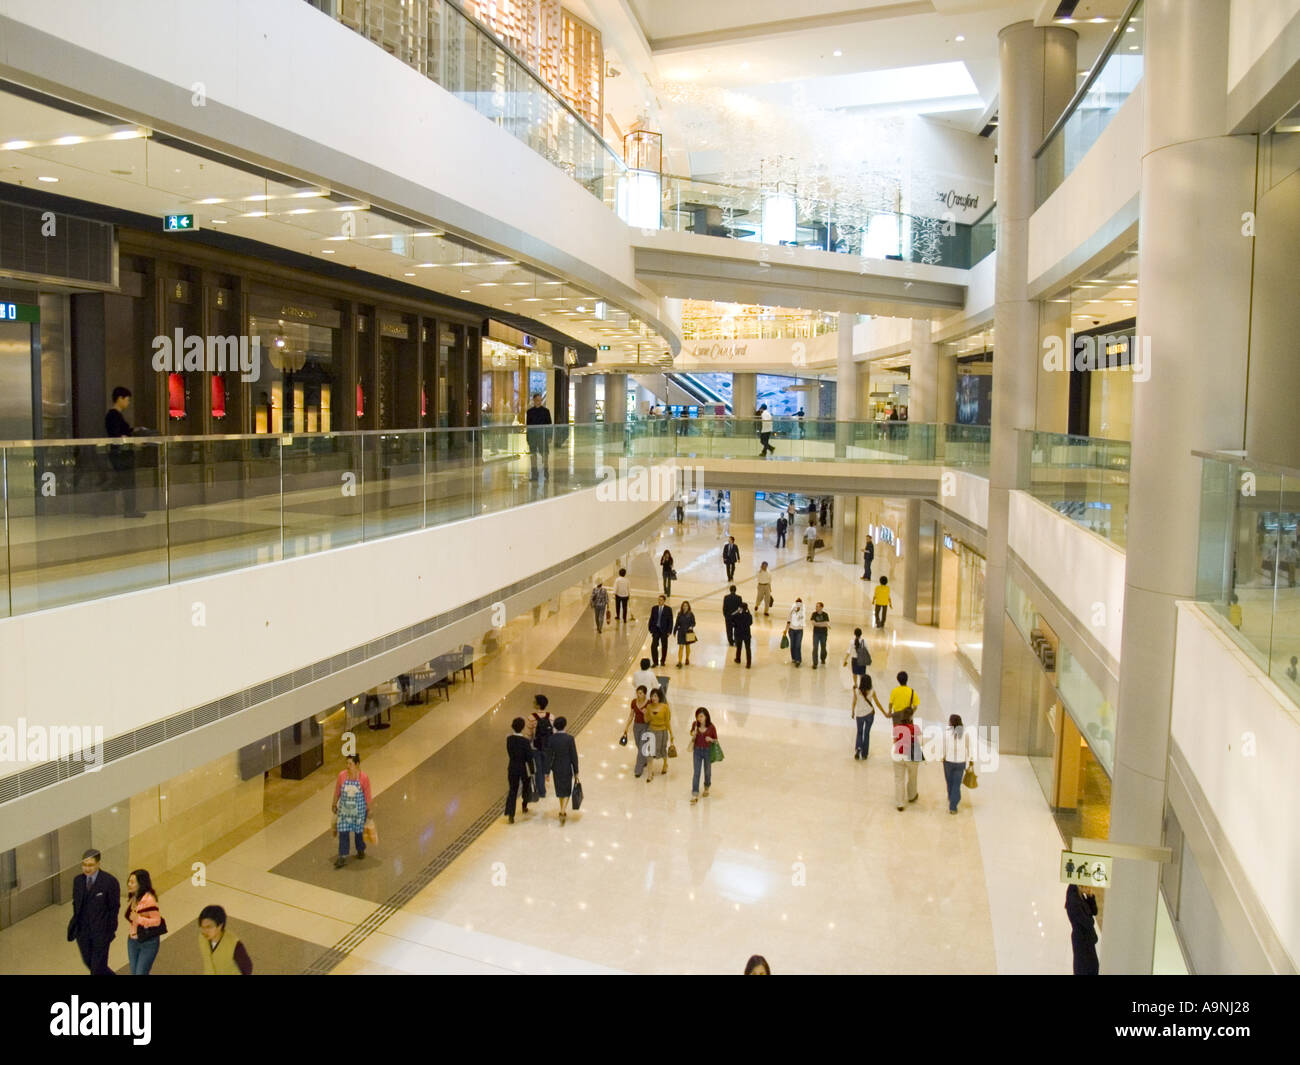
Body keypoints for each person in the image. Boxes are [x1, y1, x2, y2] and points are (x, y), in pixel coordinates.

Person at [67, 848, 120, 975]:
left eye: (90, 865)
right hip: (83, 933)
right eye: (84, 865)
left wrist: (110, 930)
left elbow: (114, 908)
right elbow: (76, 904)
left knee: (96, 969)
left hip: (101, 932)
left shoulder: (109, 882)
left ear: (98, 864)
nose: (87, 868)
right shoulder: (78, 881)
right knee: (90, 963)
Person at [105, 386, 144, 519]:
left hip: (123, 454)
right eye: (127, 399)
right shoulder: (113, 415)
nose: (128, 403)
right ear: (120, 399)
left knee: (125, 481)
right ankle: (129, 509)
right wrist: (131, 440)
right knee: (126, 482)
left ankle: (130, 509)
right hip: (121, 455)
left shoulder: (115, 415)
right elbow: (117, 435)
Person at [884, 671, 920, 810]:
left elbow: (890, 703)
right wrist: (912, 711)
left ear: (898, 680)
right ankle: (912, 795)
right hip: (910, 751)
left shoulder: (894, 691)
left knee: (898, 778)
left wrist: (889, 712)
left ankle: (899, 802)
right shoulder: (912, 692)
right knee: (913, 775)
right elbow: (916, 705)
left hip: (896, 717)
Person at [331, 754, 372, 868]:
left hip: (359, 811)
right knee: (343, 832)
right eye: (347, 763)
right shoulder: (342, 776)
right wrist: (334, 803)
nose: (348, 766)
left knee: (359, 832)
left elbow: (367, 795)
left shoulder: (363, 778)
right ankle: (342, 856)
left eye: (350, 764)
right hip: (344, 811)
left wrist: (369, 809)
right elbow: (337, 791)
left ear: (357, 764)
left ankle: (360, 849)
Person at [123, 869, 164, 975]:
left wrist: (139, 919)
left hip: (148, 942)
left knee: (140, 973)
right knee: (135, 972)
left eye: (133, 882)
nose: (129, 884)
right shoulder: (134, 897)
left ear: (141, 884)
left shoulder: (149, 900)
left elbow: (157, 921)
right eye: (129, 881)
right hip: (133, 940)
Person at [197, 905, 253, 975]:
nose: (205, 931)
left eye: (209, 927)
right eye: (203, 927)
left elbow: (247, 967)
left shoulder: (234, 944)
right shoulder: (202, 938)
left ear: (220, 926)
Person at [549, 717, 580, 821]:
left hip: (556, 766)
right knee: (567, 789)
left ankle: (562, 809)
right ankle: (563, 810)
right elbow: (573, 756)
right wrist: (576, 770)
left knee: (559, 789)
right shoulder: (569, 739)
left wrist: (547, 771)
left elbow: (549, 755)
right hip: (567, 766)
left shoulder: (552, 739)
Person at [505, 716, 535, 823]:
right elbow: (529, 757)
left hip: (512, 767)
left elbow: (509, 752)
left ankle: (510, 814)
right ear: (522, 727)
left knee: (513, 790)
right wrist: (532, 770)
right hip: (523, 768)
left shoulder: (509, 739)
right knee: (526, 787)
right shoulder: (525, 741)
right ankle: (524, 805)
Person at [1065, 885, 1100, 976]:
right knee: (1085, 969)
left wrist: (1090, 896)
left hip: (1088, 939)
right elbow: (1087, 922)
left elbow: (1094, 911)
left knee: (1093, 968)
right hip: (1081, 940)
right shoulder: (1073, 897)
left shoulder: (1080, 892)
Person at [943, 714, 974, 814]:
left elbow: (943, 747)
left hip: (948, 762)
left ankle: (952, 800)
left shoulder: (947, 733)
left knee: (950, 782)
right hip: (961, 762)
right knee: (957, 783)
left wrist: (942, 756)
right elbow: (969, 747)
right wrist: (971, 760)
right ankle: (954, 802)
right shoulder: (965, 734)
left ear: (951, 722)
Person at [850, 670, 884, 760]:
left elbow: (854, 702)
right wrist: (885, 713)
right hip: (869, 714)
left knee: (859, 732)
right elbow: (877, 703)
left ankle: (858, 749)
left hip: (859, 715)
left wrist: (853, 711)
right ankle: (865, 753)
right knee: (867, 733)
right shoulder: (872, 691)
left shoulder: (857, 691)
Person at [526, 694, 554, 799]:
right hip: (547, 747)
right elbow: (553, 732)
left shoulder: (531, 717)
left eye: (534, 702)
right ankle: (546, 778)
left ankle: (542, 791)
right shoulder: (551, 716)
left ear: (538, 705)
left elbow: (529, 735)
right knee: (546, 766)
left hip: (536, 747)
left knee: (538, 769)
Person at [689, 707, 719, 803]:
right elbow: (691, 732)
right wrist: (693, 733)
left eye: (701, 716)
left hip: (707, 751)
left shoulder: (711, 727)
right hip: (697, 751)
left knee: (707, 771)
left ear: (706, 716)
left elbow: (716, 740)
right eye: (698, 716)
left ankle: (706, 787)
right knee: (696, 772)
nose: (699, 718)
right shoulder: (695, 725)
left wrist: (711, 739)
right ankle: (695, 793)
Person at [624, 685, 652, 778]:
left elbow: (652, 717)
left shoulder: (649, 703)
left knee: (641, 748)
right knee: (638, 744)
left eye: (640, 693)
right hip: (636, 727)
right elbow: (631, 715)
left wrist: (646, 713)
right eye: (637, 693)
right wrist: (626, 727)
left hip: (645, 726)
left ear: (645, 694)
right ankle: (644, 760)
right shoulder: (633, 702)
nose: (638, 695)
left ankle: (638, 770)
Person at [645, 689, 673, 780]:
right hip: (651, 731)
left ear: (659, 697)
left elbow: (667, 721)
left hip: (662, 731)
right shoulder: (649, 707)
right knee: (650, 751)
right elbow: (646, 720)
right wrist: (646, 713)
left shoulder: (665, 707)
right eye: (652, 696)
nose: (654, 698)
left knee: (662, 750)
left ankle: (665, 764)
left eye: (656, 696)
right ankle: (650, 774)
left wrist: (671, 733)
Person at [524, 392, 552, 481]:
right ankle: (534, 475)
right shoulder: (529, 412)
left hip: (542, 436)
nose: (539, 402)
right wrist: (527, 437)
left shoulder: (546, 411)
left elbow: (549, 425)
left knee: (545, 455)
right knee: (533, 456)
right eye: (537, 400)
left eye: (540, 400)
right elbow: (528, 425)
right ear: (534, 400)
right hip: (533, 437)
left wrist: (549, 437)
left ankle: (546, 474)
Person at [648, 595, 673, 667]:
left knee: (664, 646)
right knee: (653, 646)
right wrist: (650, 628)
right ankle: (655, 662)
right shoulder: (654, 608)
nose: (659, 601)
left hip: (664, 631)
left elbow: (670, 621)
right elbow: (651, 619)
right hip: (656, 630)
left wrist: (669, 631)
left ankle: (663, 661)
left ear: (664, 601)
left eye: (661, 600)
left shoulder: (668, 609)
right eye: (659, 600)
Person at [674, 599, 697, 668]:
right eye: (684, 606)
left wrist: (691, 626)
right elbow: (677, 623)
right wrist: (674, 631)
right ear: (682, 606)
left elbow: (694, 623)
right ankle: (680, 661)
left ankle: (687, 658)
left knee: (687, 646)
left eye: (686, 606)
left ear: (688, 607)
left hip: (688, 632)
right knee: (681, 647)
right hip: (681, 632)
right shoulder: (679, 614)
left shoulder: (691, 614)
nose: (685, 607)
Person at [785, 597, 806, 666]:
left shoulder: (803, 612)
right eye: (797, 603)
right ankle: (793, 658)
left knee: (798, 645)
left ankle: (798, 660)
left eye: (800, 604)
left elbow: (802, 620)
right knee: (792, 645)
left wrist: (799, 613)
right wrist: (785, 630)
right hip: (791, 630)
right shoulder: (791, 611)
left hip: (799, 630)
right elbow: (788, 621)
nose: (798, 605)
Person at [732, 600, 753, 668]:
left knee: (739, 648)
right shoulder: (748, 615)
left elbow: (732, 618)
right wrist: (748, 612)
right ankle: (748, 663)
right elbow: (750, 623)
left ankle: (738, 659)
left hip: (739, 634)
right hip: (747, 634)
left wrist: (737, 611)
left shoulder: (737, 615)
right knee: (748, 649)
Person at [809, 601, 830, 668]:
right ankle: (815, 663)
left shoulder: (825, 615)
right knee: (815, 648)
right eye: (816, 606)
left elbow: (826, 623)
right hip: (816, 634)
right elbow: (813, 623)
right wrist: (822, 624)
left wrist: (817, 624)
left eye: (817, 606)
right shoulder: (814, 614)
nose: (816, 607)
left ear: (821, 607)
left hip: (823, 634)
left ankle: (823, 658)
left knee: (823, 647)